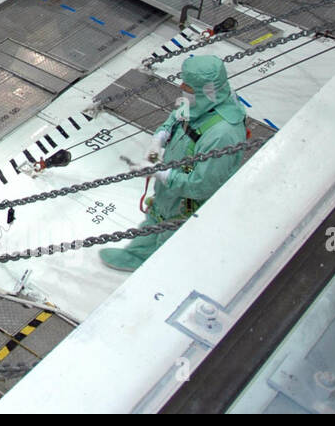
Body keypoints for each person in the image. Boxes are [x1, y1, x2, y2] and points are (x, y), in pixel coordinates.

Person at [100, 56, 246, 272]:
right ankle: (138, 254)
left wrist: (162, 174)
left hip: (189, 203)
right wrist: (159, 138)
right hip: (171, 191)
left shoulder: (222, 134)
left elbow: (201, 186)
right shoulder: (205, 101)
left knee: (174, 240)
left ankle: (159, 272)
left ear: (205, 89)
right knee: (157, 217)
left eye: (187, 86)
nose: (181, 87)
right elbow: (178, 116)